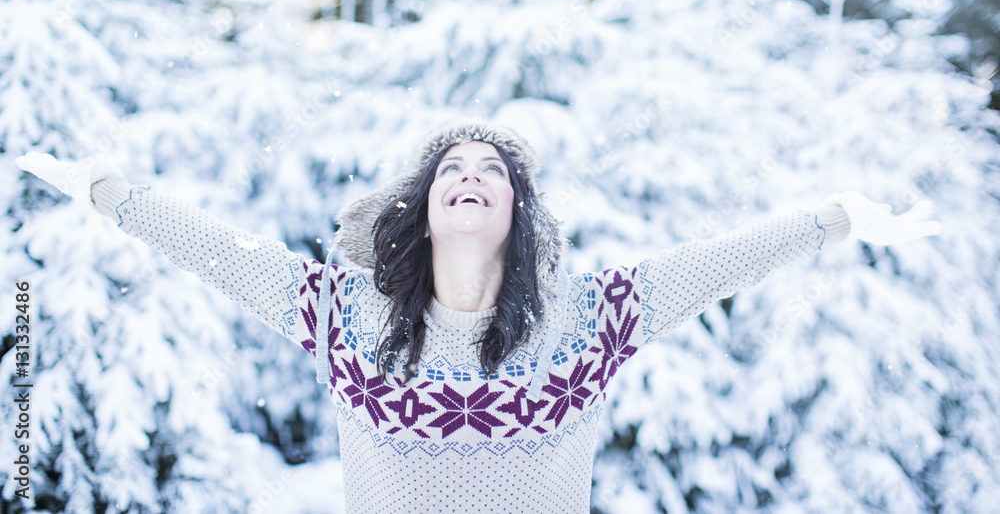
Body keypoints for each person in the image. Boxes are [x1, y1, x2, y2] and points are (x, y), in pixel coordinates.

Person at [15, 116, 941, 513]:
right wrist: (107, 190)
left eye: (492, 170)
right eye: (451, 167)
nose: (470, 175)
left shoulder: (592, 320)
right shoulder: (348, 319)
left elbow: (722, 260)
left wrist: (837, 215)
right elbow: (216, 250)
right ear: (422, 207)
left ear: (516, 214)